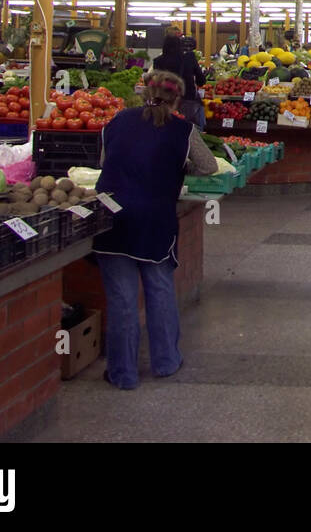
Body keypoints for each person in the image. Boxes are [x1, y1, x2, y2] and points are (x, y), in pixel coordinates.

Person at [93, 71, 218, 389]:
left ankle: (123, 374)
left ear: (144, 92)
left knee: (122, 299)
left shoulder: (118, 121)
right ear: (178, 100)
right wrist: (179, 167)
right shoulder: (183, 130)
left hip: (112, 218)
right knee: (159, 290)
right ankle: (165, 362)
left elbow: (105, 161)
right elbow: (209, 166)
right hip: (155, 219)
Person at [154, 27, 207, 129]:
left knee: (167, 129)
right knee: (188, 130)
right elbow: (201, 81)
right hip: (188, 101)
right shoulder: (189, 58)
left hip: (167, 102)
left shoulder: (158, 61)